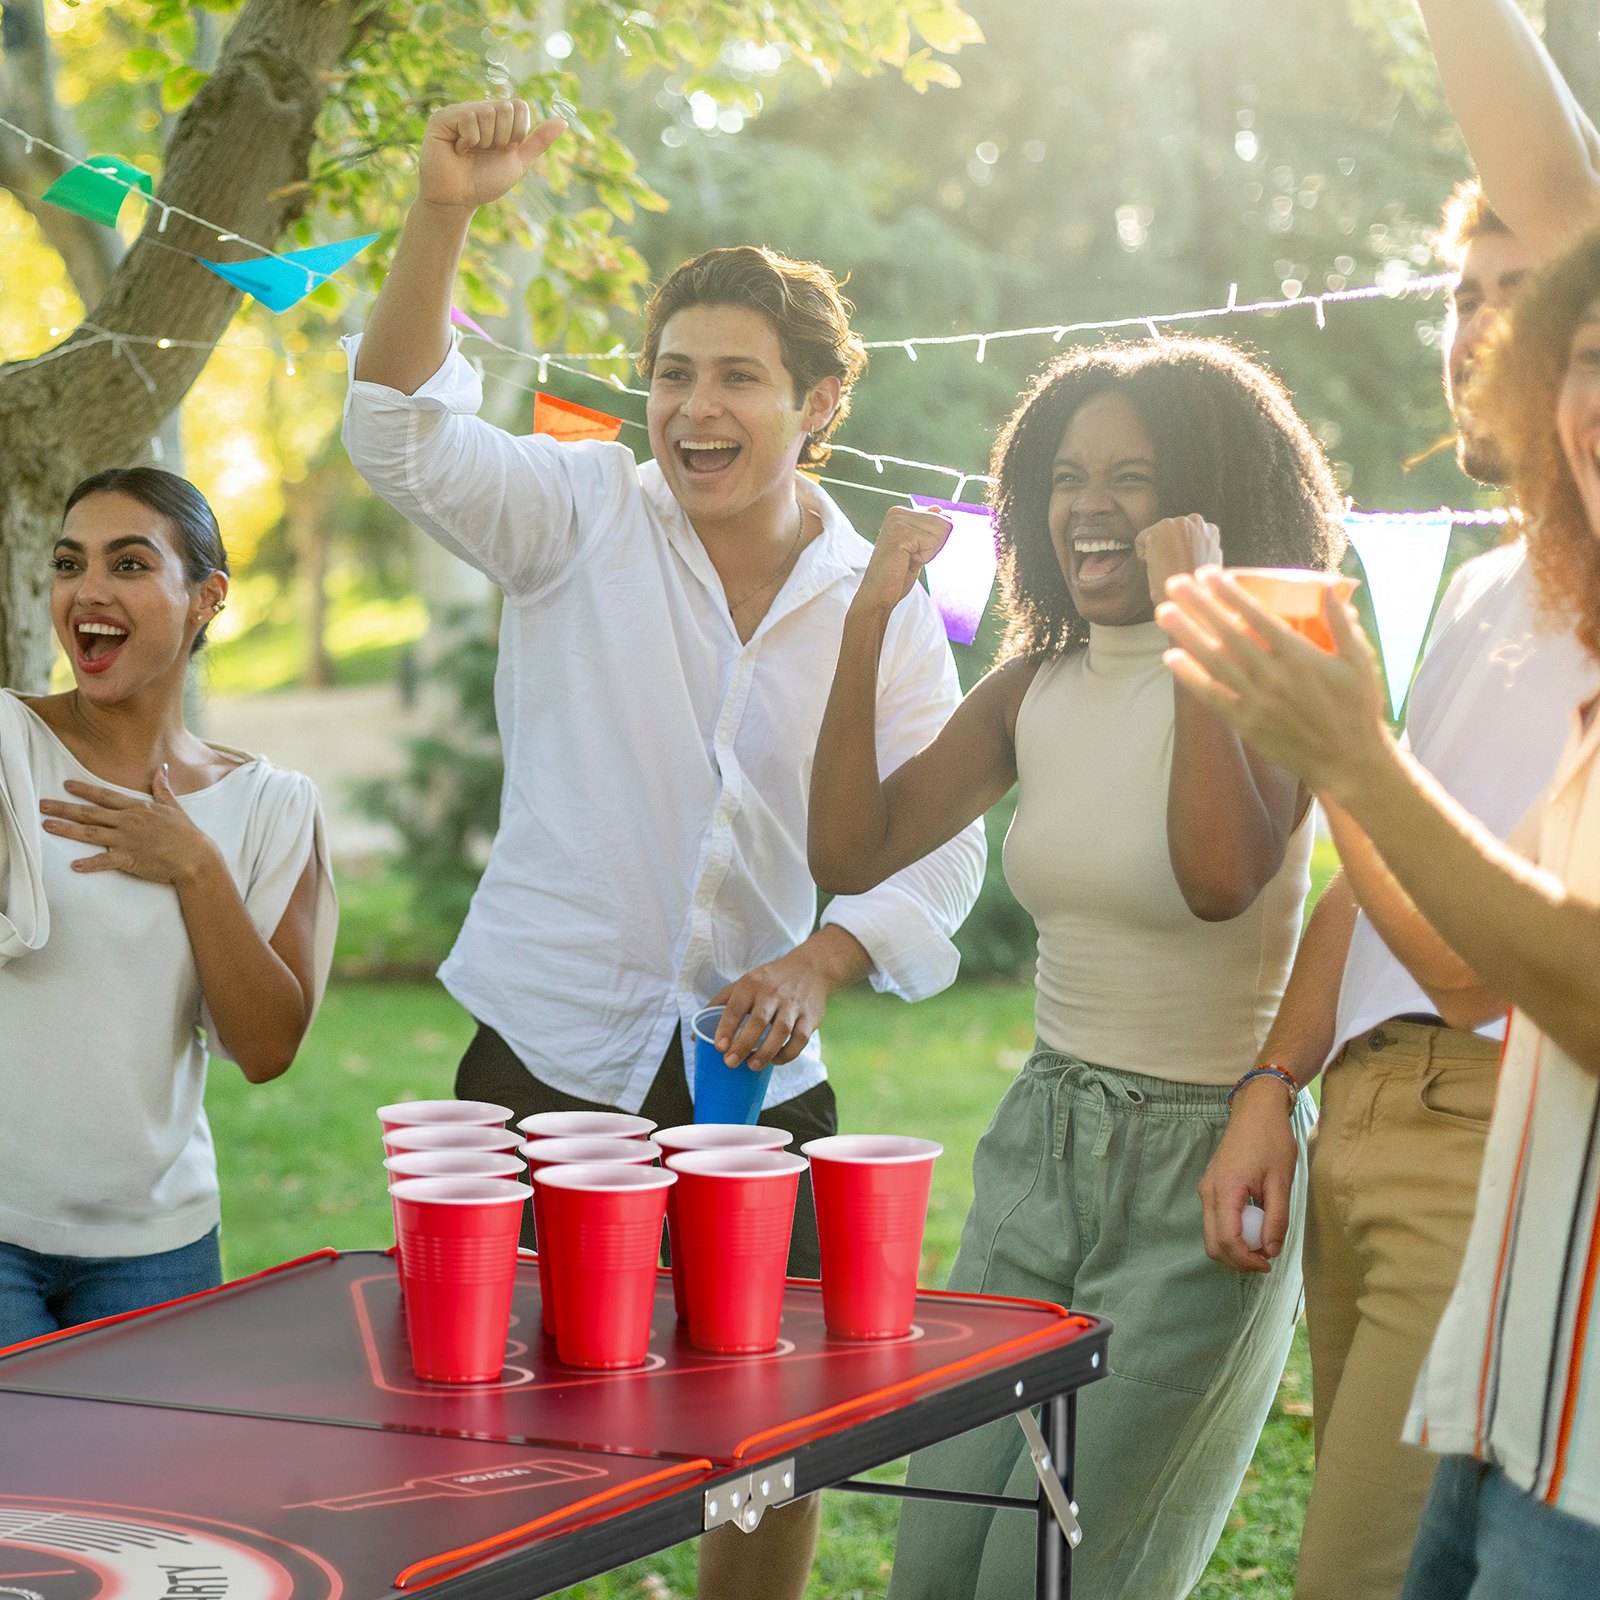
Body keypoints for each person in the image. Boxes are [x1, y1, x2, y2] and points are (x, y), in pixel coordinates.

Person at [341, 99, 984, 1600]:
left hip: (756, 1084)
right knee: (486, 1440)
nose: (696, 407)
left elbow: (945, 844)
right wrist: (444, 210)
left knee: (771, 1443)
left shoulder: (877, 597)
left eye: (739, 379)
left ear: (819, 401)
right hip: (547, 1049)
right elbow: (392, 428)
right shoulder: (574, 511)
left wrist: (828, 956)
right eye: (673, 374)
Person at [808, 335, 1344, 1599]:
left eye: (1132, 476)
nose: (1087, 507)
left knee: (1054, 1577)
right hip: (1041, 1144)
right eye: (1063, 476)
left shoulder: (1278, 671)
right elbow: (851, 847)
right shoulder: (1029, 685)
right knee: (936, 1561)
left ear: (1214, 501)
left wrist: (1201, 620)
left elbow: (1221, 879)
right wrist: (868, 619)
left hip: (1204, 1168)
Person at [1157, 214, 1600, 1597]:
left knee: (1352, 1574)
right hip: (1361, 1115)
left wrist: (1340, 750)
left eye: (1519, 304)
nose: (1479, 331)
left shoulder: (1586, 610)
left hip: (1481, 1129)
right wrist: (1273, 1082)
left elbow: (1479, 965)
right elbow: (1374, 879)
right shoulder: (1480, 590)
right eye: (1461, 296)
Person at [0, 468, 335, 1347]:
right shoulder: (7, 749)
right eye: (70, 564)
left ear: (205, 599)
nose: (89, 592)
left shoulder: (271, 806)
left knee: (137, 1490)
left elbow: (265, 1048)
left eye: (130, 564)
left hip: (159, 1247)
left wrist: (195, 864)